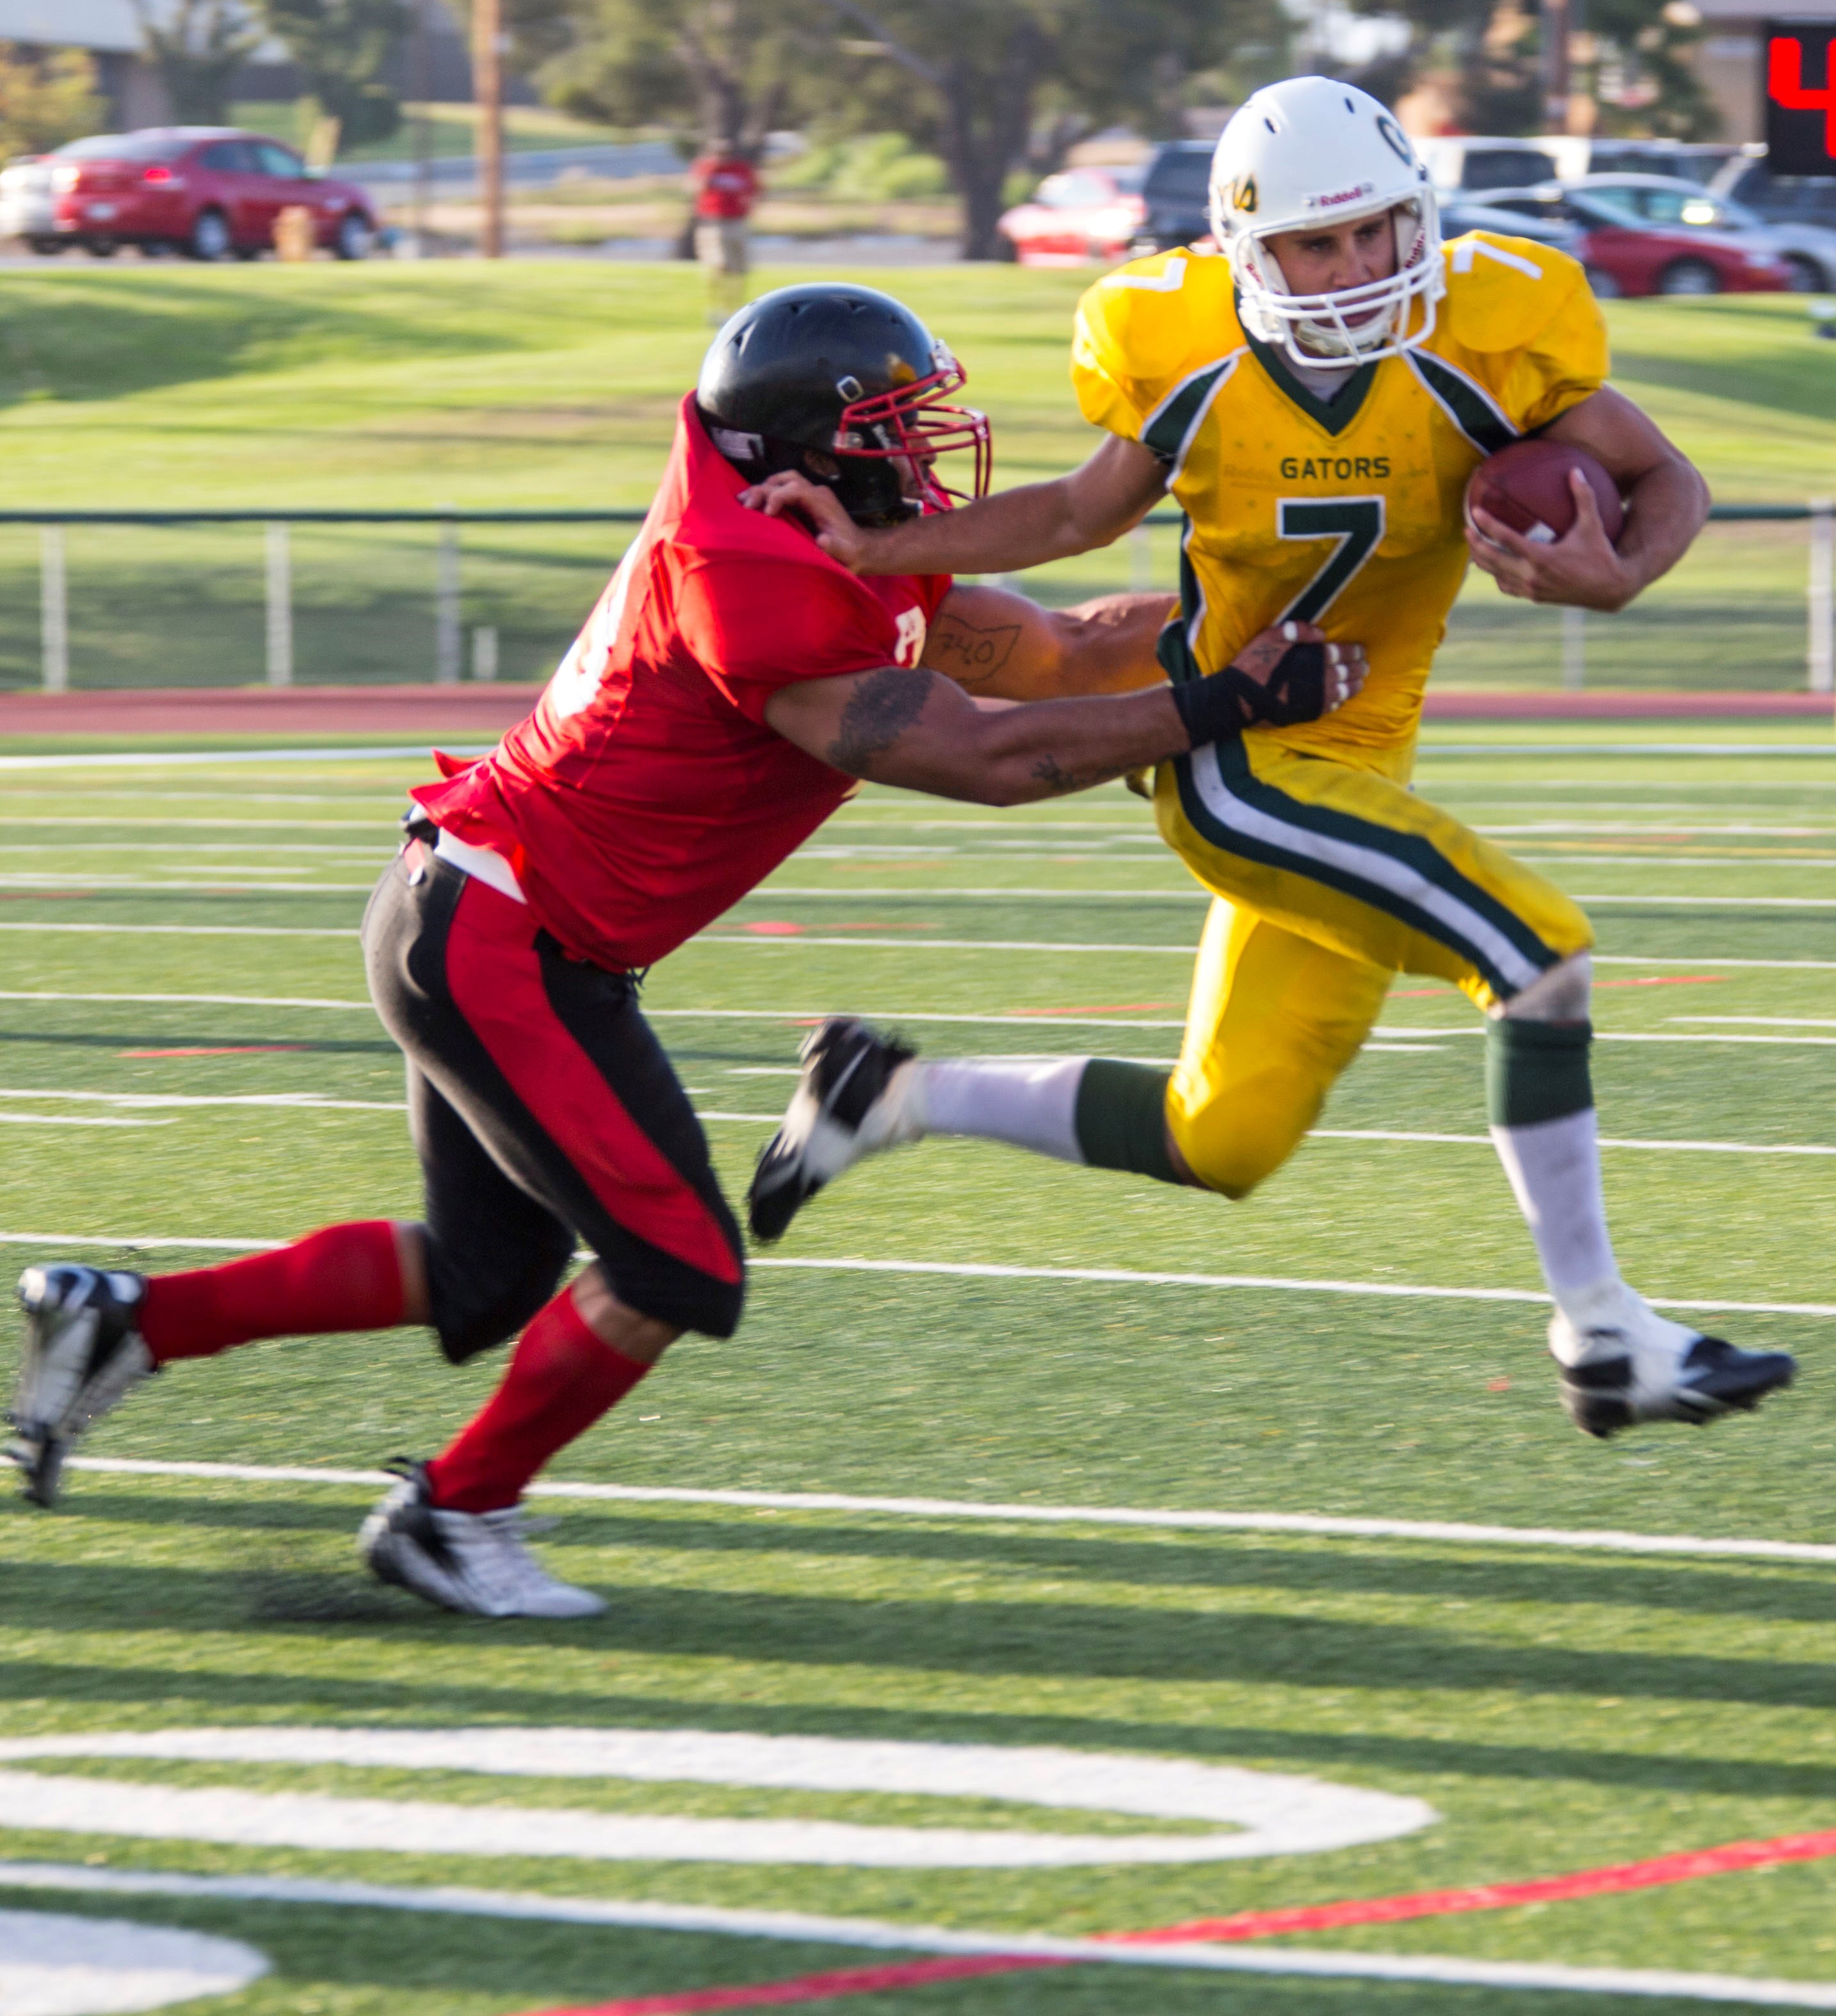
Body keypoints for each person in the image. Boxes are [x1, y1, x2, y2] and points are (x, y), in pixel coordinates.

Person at [6, 280, 1364, 1615]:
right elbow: (999, 759)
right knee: (679, 1267)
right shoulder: (750, 577)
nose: (922, 452)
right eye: (890, 426)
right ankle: (455, 1513)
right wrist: (1223, 712)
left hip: (501, 919)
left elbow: (1062, 659)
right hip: (503, 935)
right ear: (792, 452)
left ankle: (131, 1320)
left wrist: (1255, 623)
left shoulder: (828, 538)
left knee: (491, 1273)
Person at [743, 79, 1797, 1441]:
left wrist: (1617, 577)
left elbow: (1669, 478)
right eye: (1320, 244)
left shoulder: (1487, 331)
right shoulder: (1180, 352)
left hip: (1360, 767)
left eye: (1379, 229)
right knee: (1539, 957)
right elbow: (1074, 512)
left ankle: (886, 1092)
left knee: (1221, 1135)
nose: (1359, 267)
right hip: (1238, 757)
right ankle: (1606, 1340)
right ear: (1250, 251)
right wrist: (881, 550)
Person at [688, 138, 760, 322]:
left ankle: (737, 308)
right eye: (719, 153)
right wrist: (712, 171)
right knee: (718, 267)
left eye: (726, 153)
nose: (723, 157)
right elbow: (696, 188)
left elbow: (756, 190)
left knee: (739, 269)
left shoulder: (740, 169)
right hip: (714, 223)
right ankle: (717, 308)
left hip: (737, 221)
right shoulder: (705, 168)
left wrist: (751, 207)